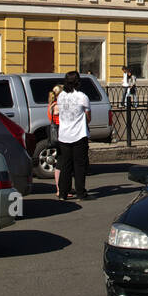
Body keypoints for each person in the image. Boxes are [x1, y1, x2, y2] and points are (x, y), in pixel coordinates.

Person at [54, 71, 92, 201]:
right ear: (78, 82)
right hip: (79, 135)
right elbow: (88, 117)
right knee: (79, 166)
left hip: (64, 135)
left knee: (65, 165)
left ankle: (63, 193)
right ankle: (81, 193)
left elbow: (59, 113)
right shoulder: (82, 97)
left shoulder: (61, 96)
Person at [47, 84, 63, 196]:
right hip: (61, 135)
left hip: (55, 135)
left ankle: (61, 187)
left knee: (60, 162)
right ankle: (60, 188)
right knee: (62, 163)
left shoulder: (50, 105)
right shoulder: (57, 106)